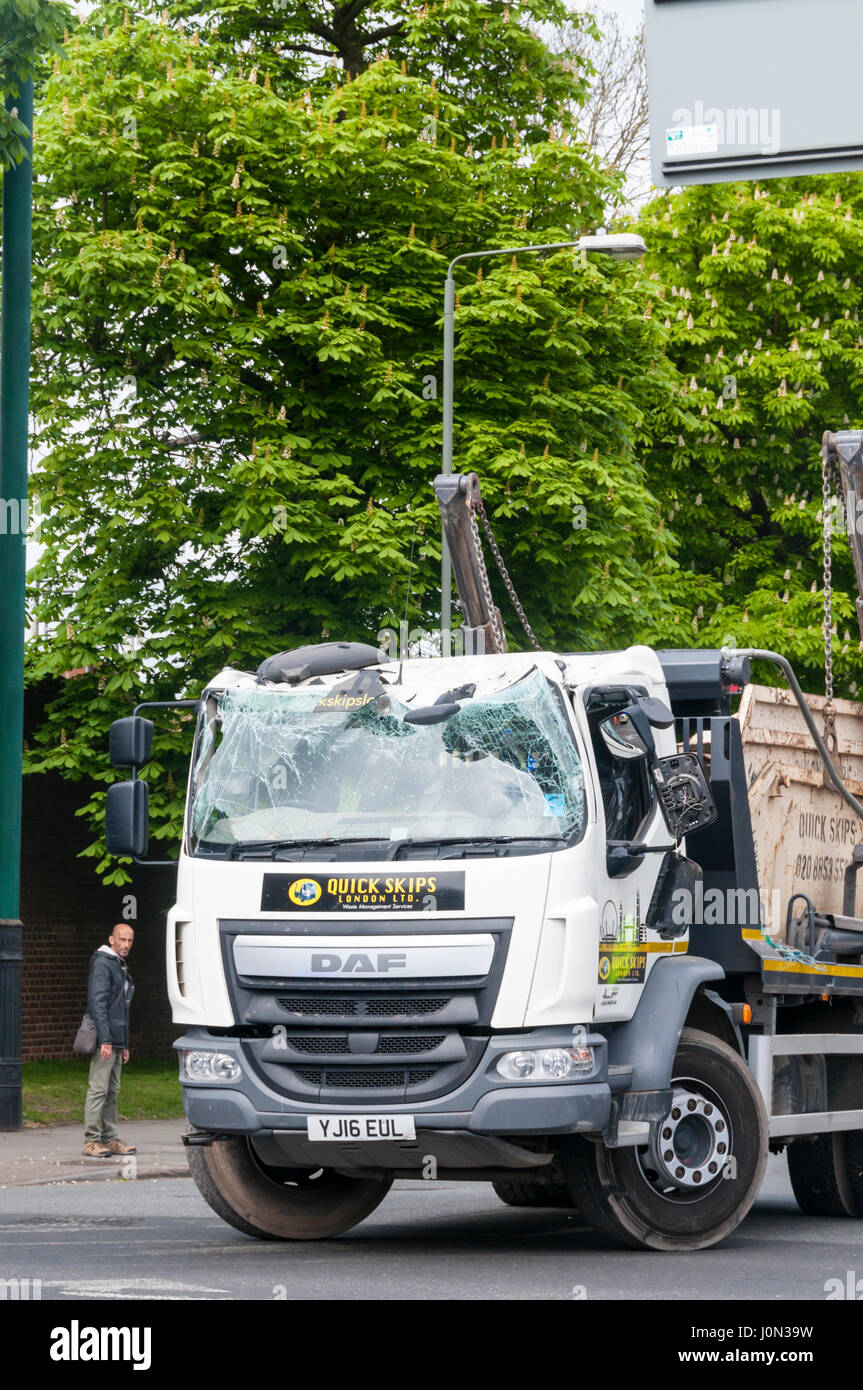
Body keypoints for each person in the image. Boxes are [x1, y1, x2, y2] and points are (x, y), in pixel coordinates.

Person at [82, 924, 137, 1158]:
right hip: (105, 1038)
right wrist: (105, 1039)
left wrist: (123, 1044)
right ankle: (92, 1140)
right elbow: (98, 1003)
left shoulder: (118, 964)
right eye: (121, 939)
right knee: (99, 1089)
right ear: (111, 940)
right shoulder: (104, 963)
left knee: (112, 1090)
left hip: (116, 1038)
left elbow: (121, 1009)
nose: (125, 944)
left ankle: (109, 1138)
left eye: (130, 940)